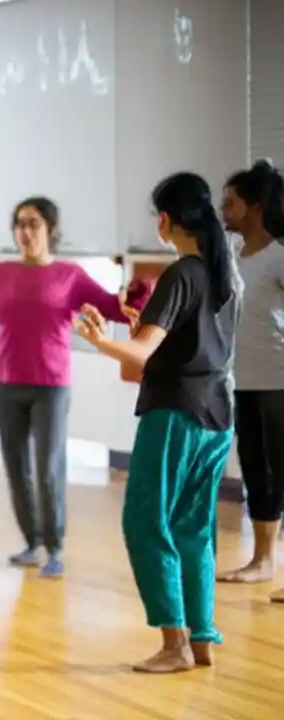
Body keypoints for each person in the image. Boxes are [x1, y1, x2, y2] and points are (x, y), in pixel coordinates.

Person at [74, 171, 238, 673]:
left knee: (146, 523)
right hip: (217, 416)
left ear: (165, 220)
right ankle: (202, 636)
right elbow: (165, 346)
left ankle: (174, 643)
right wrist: (132, 330)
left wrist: (101, 341)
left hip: (175, 416)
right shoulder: (224, 274)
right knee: (193, 528)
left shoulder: (182, 273)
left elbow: (142, 352)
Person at [0, 197, 141, 578]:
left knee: (48, 468)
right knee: (16, 467)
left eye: (33, 224)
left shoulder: (70, 276)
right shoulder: (0, 274)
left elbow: (114, 307)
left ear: (50, 230)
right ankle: (32, 541)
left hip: (51, 385)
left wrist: (141, 291)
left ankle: (55, 547)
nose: (25, 231)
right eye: (19, 224)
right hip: (6, 383)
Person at [213, 160, 284, 598]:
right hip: (242, 382)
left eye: (230, 200)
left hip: (279, 381)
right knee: (258, 473)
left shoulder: (279, 255)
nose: (223, 207)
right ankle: (262, 561)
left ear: (254, 206)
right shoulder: (231, 260)